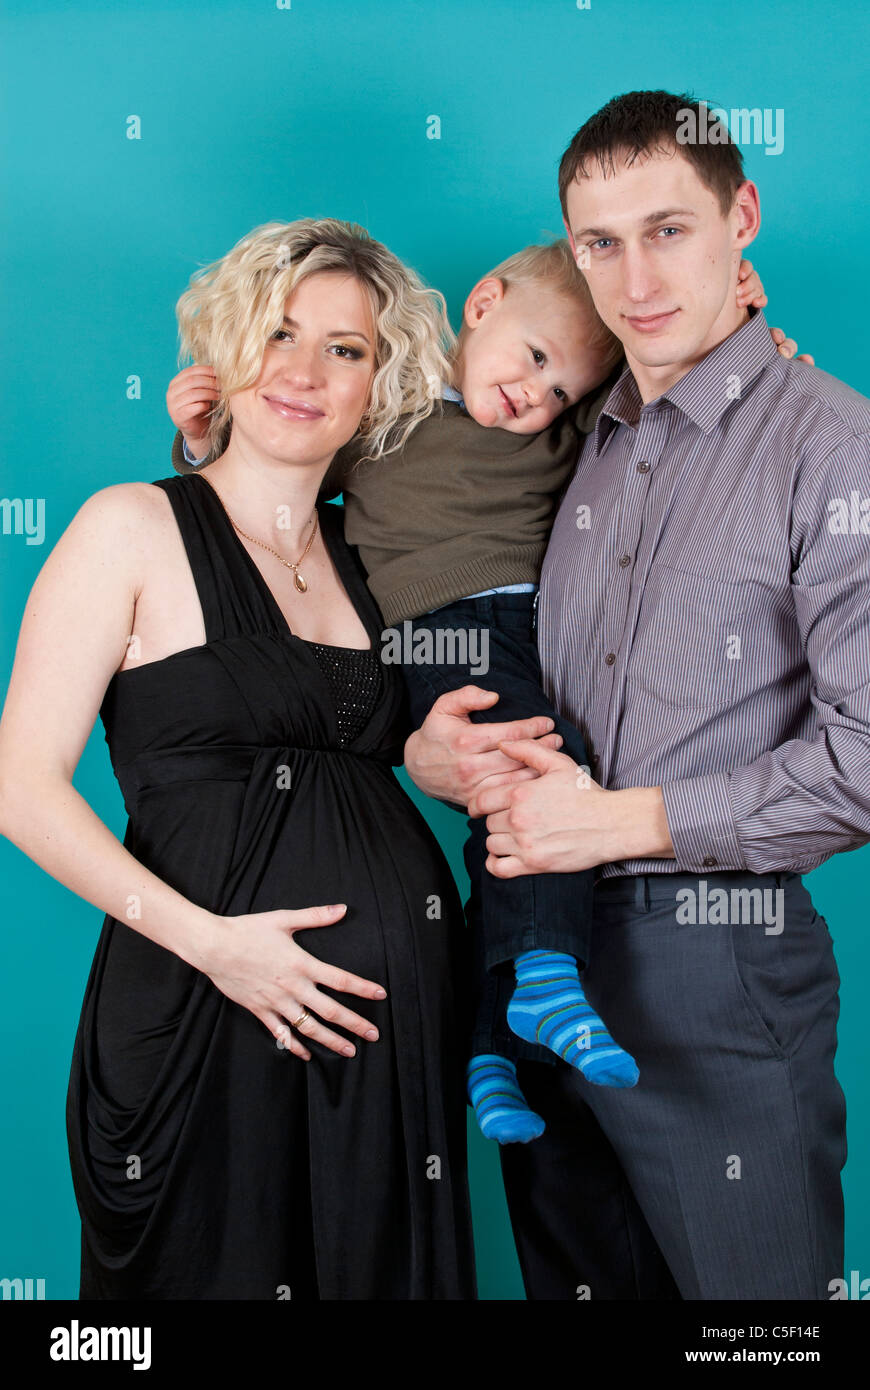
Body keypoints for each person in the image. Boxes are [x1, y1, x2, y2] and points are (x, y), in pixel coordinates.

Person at [170, 238, 802, 1147]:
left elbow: (676, 400)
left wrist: (743, 330)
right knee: (548, 776)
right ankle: (544, 975)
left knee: (506, 816)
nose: (534, 396)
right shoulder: (385, 420)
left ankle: (489, 1043)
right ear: (483, 303)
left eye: (560, 391)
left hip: (533, 634)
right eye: (534, 360)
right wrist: (201, 438)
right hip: (440, 633)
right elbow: (275, 467)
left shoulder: (560, 436)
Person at [404, 90, 870, 1300]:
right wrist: (433, 753)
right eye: (600, 243)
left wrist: (626, 821)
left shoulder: (832, 447)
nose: (635, 276)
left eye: (669, 229)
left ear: (743, 219)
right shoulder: (564, 438)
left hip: (713, 965)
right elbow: (428, 588)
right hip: (529, 949)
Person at [0, 217, 493, 1299]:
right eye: (276, 333)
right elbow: (22, 791)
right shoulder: (128, 526)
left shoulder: (372, 555)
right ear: (223, 351)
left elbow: (538, 425)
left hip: (387, 1047)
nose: (304, 372)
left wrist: (433, 752)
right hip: (204, 1016)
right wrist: (217, 947)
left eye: (345, 348)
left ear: (382, 377)